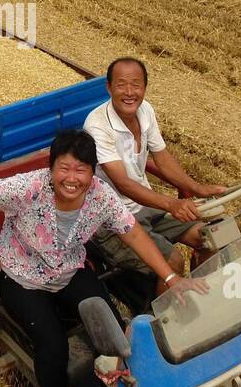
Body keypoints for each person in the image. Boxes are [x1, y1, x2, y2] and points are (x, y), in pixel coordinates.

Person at [0, 129, 204, 387]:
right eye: (64, 168)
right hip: (22, 277)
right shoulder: (27, 188)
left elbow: (133, 234)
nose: (71, 178)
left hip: (69, 271)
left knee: (114, 335)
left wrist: (172, 276)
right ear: (51, 169)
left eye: (81, 170)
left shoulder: (101, 196)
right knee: (52, 342)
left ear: (93, 173)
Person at [84, 57, 228, 295]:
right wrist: (172, 204)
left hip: (147, 206)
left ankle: (205, 300)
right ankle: (165, 324)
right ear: (109, 88)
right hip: (113, 218)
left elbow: (161, 157)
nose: (129, 92)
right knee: (173, 262)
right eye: (121, 85)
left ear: (145, 87)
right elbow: (123, 184)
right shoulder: (97, 125)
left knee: (212, 237)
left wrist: (197, 187)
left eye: (136, 85)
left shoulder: (145, 110)